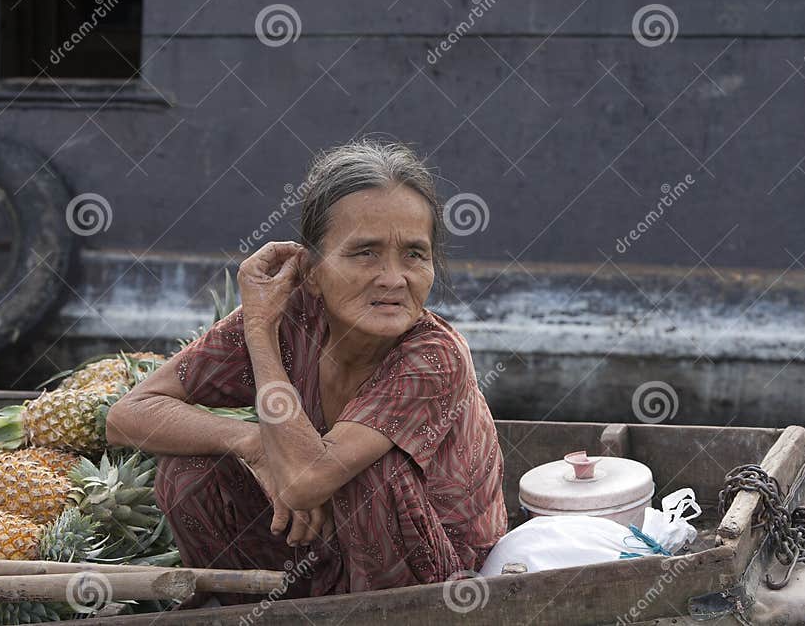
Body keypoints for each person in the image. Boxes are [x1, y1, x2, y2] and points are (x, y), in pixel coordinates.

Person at [106, 138, 507, 604]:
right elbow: (127, 415)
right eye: (365, 253)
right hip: (318, 551)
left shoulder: (434, 357)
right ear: (312, 271)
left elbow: (304, 480)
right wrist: (250, 442)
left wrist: (259, 334)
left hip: (441, 582)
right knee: (186, 470)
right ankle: (258, 613)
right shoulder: (291, 314)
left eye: (414, 254)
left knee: (365, 476)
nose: (394, 278)